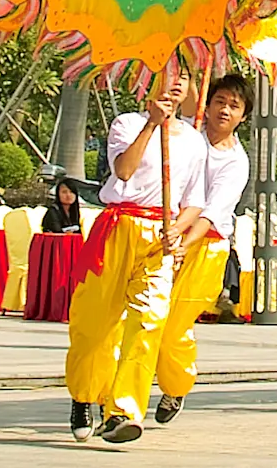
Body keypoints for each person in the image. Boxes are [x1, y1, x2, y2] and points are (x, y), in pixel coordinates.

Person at [100, 74, 252, 441]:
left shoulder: (236, 161)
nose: (225, 110)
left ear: (244, 116)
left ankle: (176, 385)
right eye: (220, 102)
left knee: (173, 329)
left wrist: (184, 241)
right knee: (142, 319)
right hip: (164, 237)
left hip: (205, 247)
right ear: (207, 105)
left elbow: (211, 213)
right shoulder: (187, 132)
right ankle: (116, 403)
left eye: (234, 106)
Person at [66, 74, 208, 442]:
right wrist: (152, 125)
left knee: (149, 321)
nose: (176, 84)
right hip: (118, 228)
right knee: (96, 324)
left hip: (159, 237)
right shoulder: (127, 124)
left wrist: (179, 229)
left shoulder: (195, 141)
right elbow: (124, 170)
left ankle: (124, 410)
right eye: (168, 75)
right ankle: (84, 395)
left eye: (183, 77)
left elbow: (195, 201)